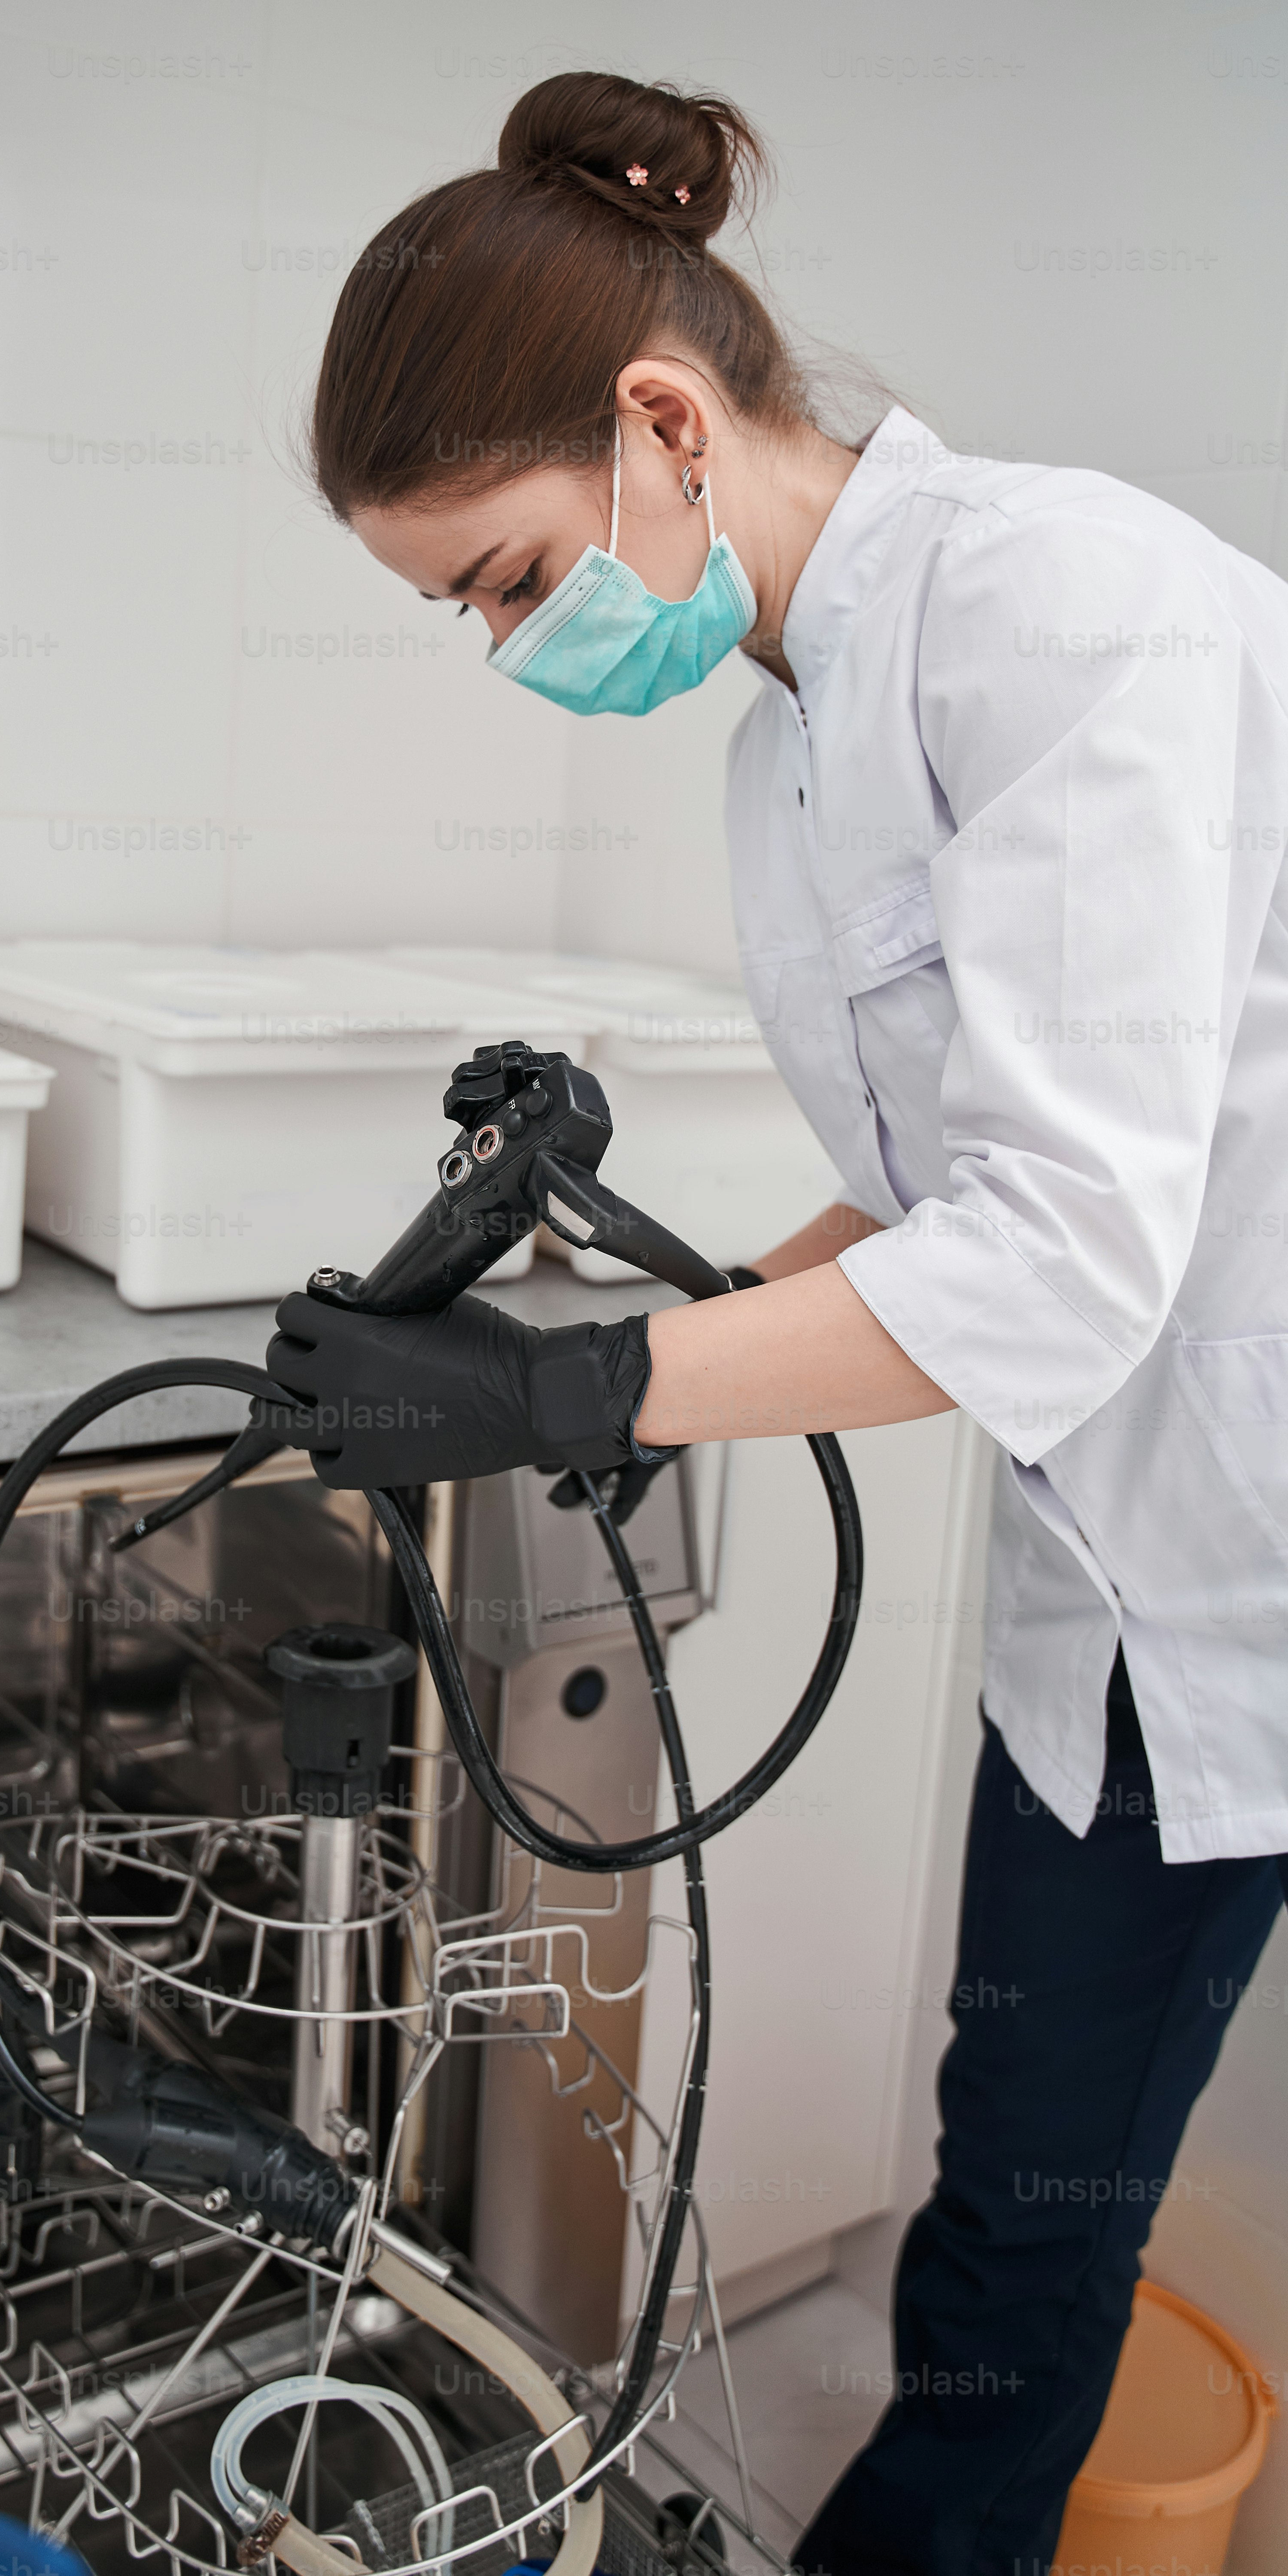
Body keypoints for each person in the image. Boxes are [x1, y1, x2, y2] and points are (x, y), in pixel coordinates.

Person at [258, 68, 1288, 2576]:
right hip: (1122, 1585)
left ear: (664, 421)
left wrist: (581, 1381)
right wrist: (661, 1348)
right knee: (1017, 2185)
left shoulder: (1073, 609)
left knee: (1029, 2231)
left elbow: (1061, 1248)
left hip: (1247, 1535)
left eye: (507, 578)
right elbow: (933, 1191)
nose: (508, 646)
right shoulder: (794, 736)